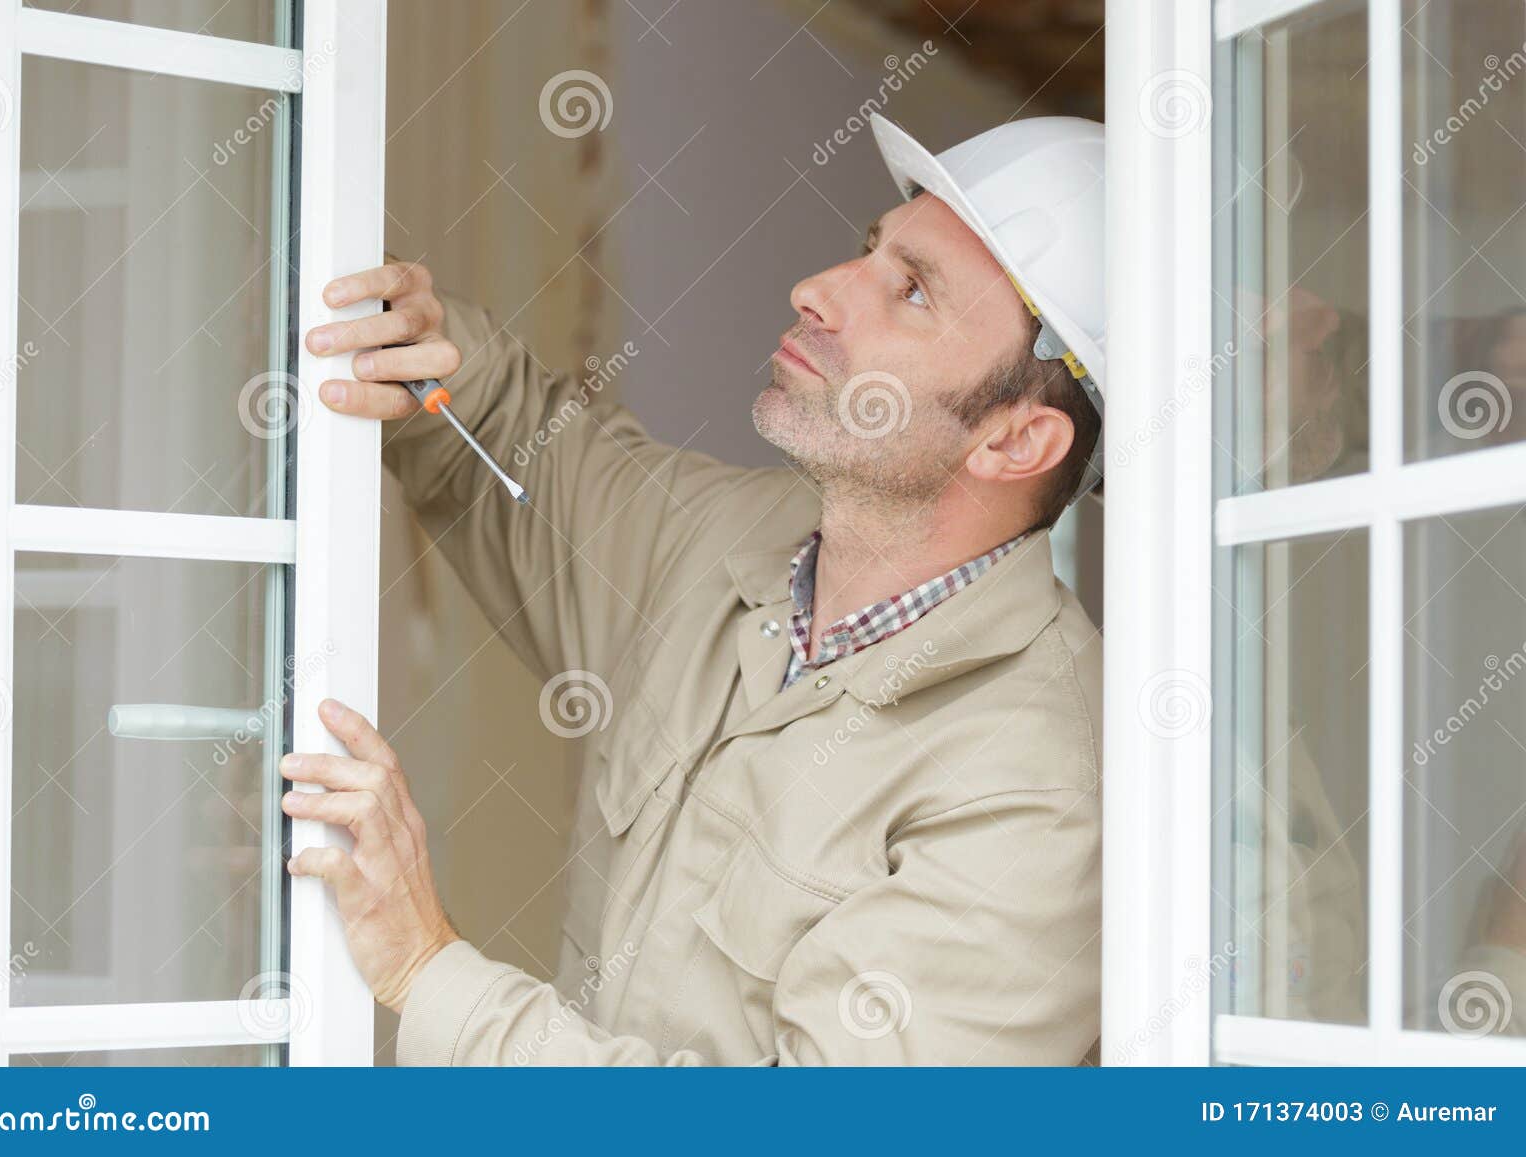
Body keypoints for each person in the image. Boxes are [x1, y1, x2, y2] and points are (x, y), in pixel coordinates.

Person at [279, 115, 1108, 1064]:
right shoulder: (719, 538)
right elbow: (514, 445)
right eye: (869, 249)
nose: (817, 289)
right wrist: (412, 343)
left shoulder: (1040, 791)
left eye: (912, 290)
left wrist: (428, 971)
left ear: (1015, 439)